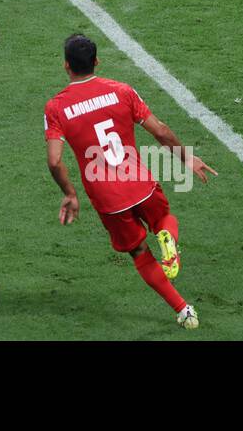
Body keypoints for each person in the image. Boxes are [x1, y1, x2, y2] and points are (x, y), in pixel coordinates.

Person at [44, 34, 218, 329]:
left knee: (138, 251)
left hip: (106, 198)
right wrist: (187, 158)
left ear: (66, 66)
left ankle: (183, 310)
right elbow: (160, 131)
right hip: (139, 183)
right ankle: (168, 239)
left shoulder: (56, 108)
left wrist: (70, 193)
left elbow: (54, 160)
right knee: (163, 218)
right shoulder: (122, 91)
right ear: (97, 62)